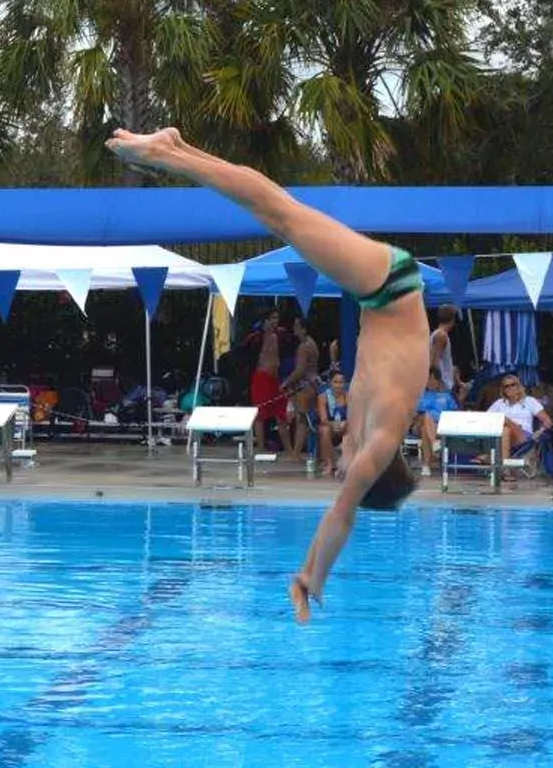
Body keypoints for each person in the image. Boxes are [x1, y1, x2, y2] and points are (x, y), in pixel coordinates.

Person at [107, 126, 427, 624]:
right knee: (277, 213)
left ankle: (179, 148)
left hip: (385, 290)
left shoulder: (372, 433)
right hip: (388, 286)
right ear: (370, 474)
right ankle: (170, 156)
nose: (340, 471)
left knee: (281, 211)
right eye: (350, 474)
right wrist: (310, 578)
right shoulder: (380, 439)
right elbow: (342, 513)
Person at [487, 373, 552, 475]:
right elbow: (486, 419)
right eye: (506, 386)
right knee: (505, 430)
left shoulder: (529, 401)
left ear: (519, 386)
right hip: (502, 435)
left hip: (523, 436)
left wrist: (539, 432)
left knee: (503, 419)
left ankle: (493, 461)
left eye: (513, 384)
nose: (510, 388)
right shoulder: (499, 403)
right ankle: (505, 469)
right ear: (503, 389)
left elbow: (547, 421)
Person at [246, 309, 288, 452]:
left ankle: (289, 448)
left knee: (280, 413)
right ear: (266, 321)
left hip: (275, 378)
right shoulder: (258, 337)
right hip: (262, 376)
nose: (276, 321)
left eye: (277, 318)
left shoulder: (279, 336)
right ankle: (261, 447)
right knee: (260, 413)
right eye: (273, 318)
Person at [283, 321, 321, 462]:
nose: (294, 329)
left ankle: (296, 453)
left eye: (297, 327)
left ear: (303, 329)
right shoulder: (312, 343)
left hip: (305, 386)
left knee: (302, 420)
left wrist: (286, 383)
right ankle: (310, 452)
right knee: (309, 421)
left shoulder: (303, 347)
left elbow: (300, 370)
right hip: (314, 384)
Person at [415, 367, 461, 475]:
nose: (430, 382)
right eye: (428, 379)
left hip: (441, 425)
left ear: (438, 380)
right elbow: (416, 414)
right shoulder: (421, 396)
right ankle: (434, 443)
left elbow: (454, 412)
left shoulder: (446, 396)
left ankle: (426, 465)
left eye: (433, 379)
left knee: (425, 431)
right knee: (426, 417)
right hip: (421, 422)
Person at [315, 371, 351, 477]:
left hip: (345, 426)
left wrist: (345, 423)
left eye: (341, 382)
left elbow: (352, 415)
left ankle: (347, 463)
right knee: (324, 430)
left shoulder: (348, 396)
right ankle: (330, 464)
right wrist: (333, 425)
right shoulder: (323, 397)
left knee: (353, 428)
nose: (338, 385)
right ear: (330, 383)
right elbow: (323, 418)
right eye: (335, 382)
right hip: (329, 425)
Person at [429, 304, 458, 391]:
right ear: (452, 319)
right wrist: (439, 385)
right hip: (442, 386)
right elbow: (434, 362)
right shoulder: (441, 335)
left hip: (443, 384)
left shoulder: (436, 334)